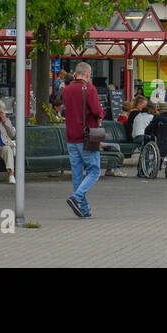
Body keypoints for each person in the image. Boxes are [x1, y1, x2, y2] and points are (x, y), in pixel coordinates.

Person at [62, 61, 104, 218]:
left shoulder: (66, 90)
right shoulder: (89, 88)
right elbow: (96, 110)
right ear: (87, 74)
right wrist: (101, 113)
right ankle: (76, 197)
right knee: (94, 170)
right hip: (88, 135)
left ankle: (84, 210)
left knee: (77, 174)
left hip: (71, 137)